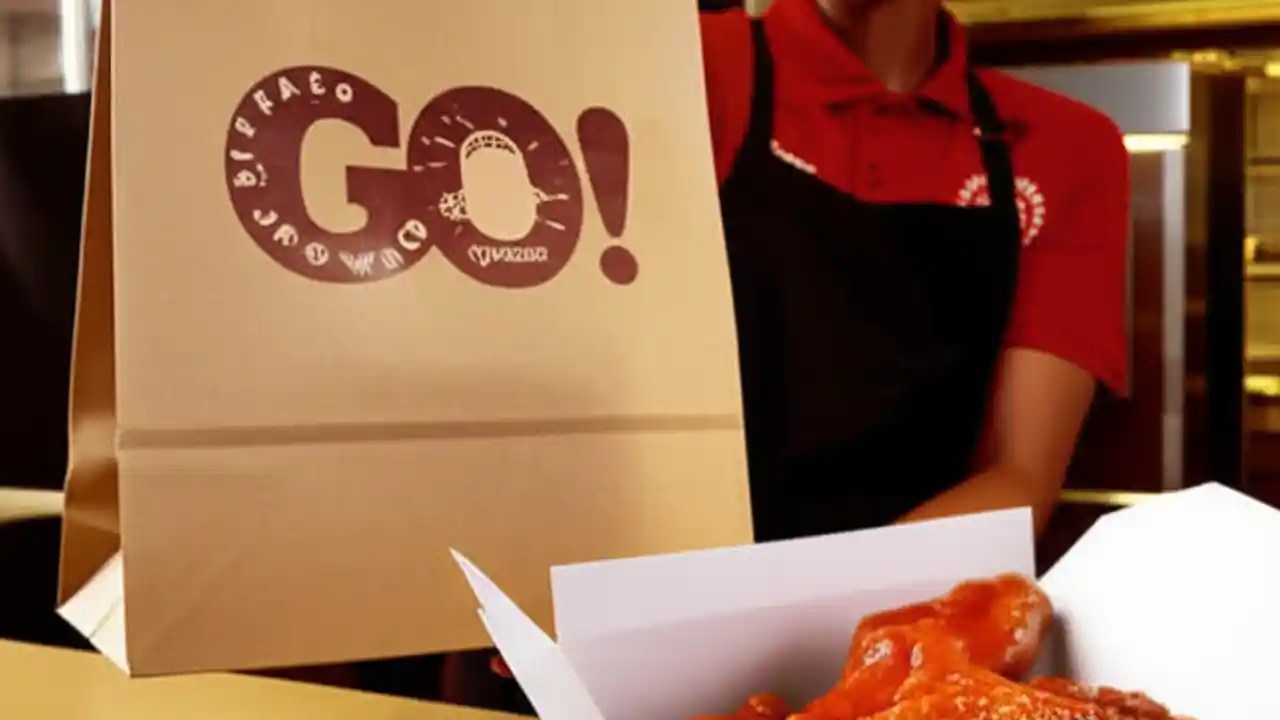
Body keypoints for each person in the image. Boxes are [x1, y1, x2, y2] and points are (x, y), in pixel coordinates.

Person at [449, 0, 1130, 708]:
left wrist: (811, 644)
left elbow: (1017, 474)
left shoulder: (1063, 147)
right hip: (606, 657)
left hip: (885, 672)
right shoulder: (666, 60)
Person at [706, 0, 1128, 542]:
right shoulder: (682, 67)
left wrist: (812, 611)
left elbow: (1019, 474)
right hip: (667, 591)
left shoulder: (1066, 147)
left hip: (921, 612)